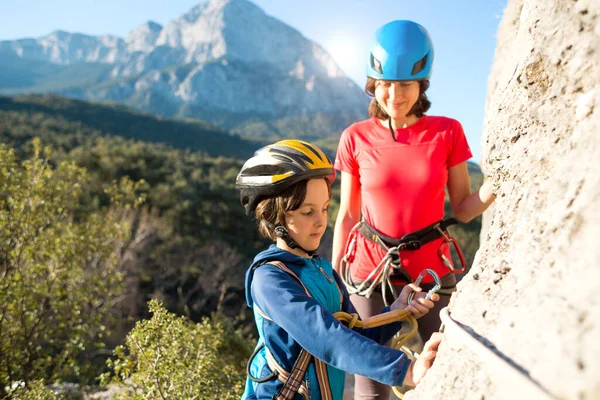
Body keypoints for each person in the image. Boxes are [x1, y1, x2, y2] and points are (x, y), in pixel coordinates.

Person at [331, 20, 497, 399]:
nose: (395, 94)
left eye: (405, 84)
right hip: (369, 274)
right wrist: (333, 277)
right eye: (386, 84)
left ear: (422, 84)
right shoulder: (355, 137)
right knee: (371, 386)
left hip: (432, 272)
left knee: (451, 368)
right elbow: (347, 216)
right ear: (373, 84)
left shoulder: (447, 132)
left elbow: (465, 209)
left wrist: (496, 187)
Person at [237, 139, 442, 400]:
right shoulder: (269, 279)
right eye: (307, 212)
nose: (321, 221)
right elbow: (326, 337)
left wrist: (398, 311)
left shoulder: (324, 271)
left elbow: (355, 333)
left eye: (324, 209)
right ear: (274, 216)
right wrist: (406, 371)